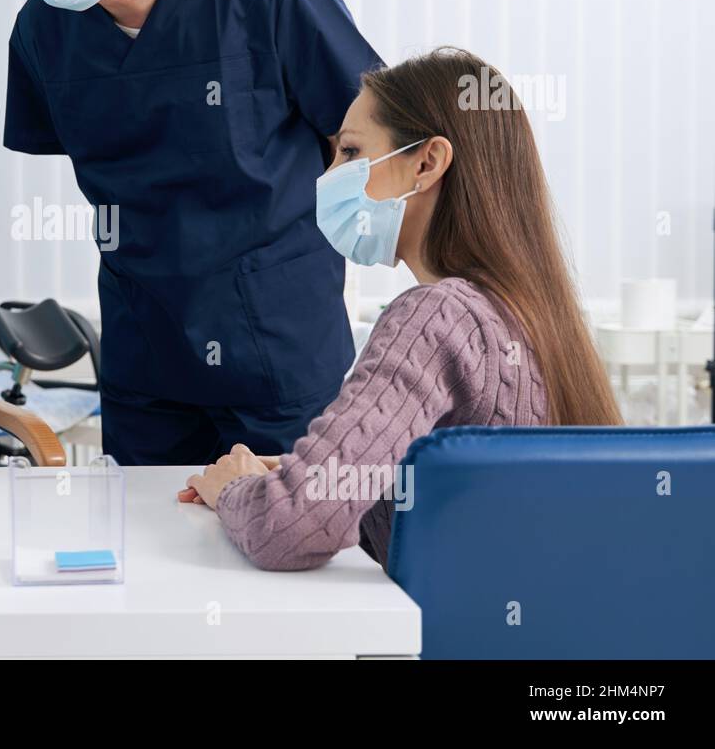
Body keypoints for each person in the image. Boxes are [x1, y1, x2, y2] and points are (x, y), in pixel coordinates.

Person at [0, 0, 382, 465]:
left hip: (276, 345)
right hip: (144, 352)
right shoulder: (43, 30)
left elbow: (370, 136)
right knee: (149, 551)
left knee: (289, 546)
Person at [180, 48, 623, 570]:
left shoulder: (436, 315)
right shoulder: (532, 313)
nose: (328, 176)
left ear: (427, 162)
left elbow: (289, 527)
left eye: (348, 152)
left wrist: (238, 489)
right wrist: (325, 474)